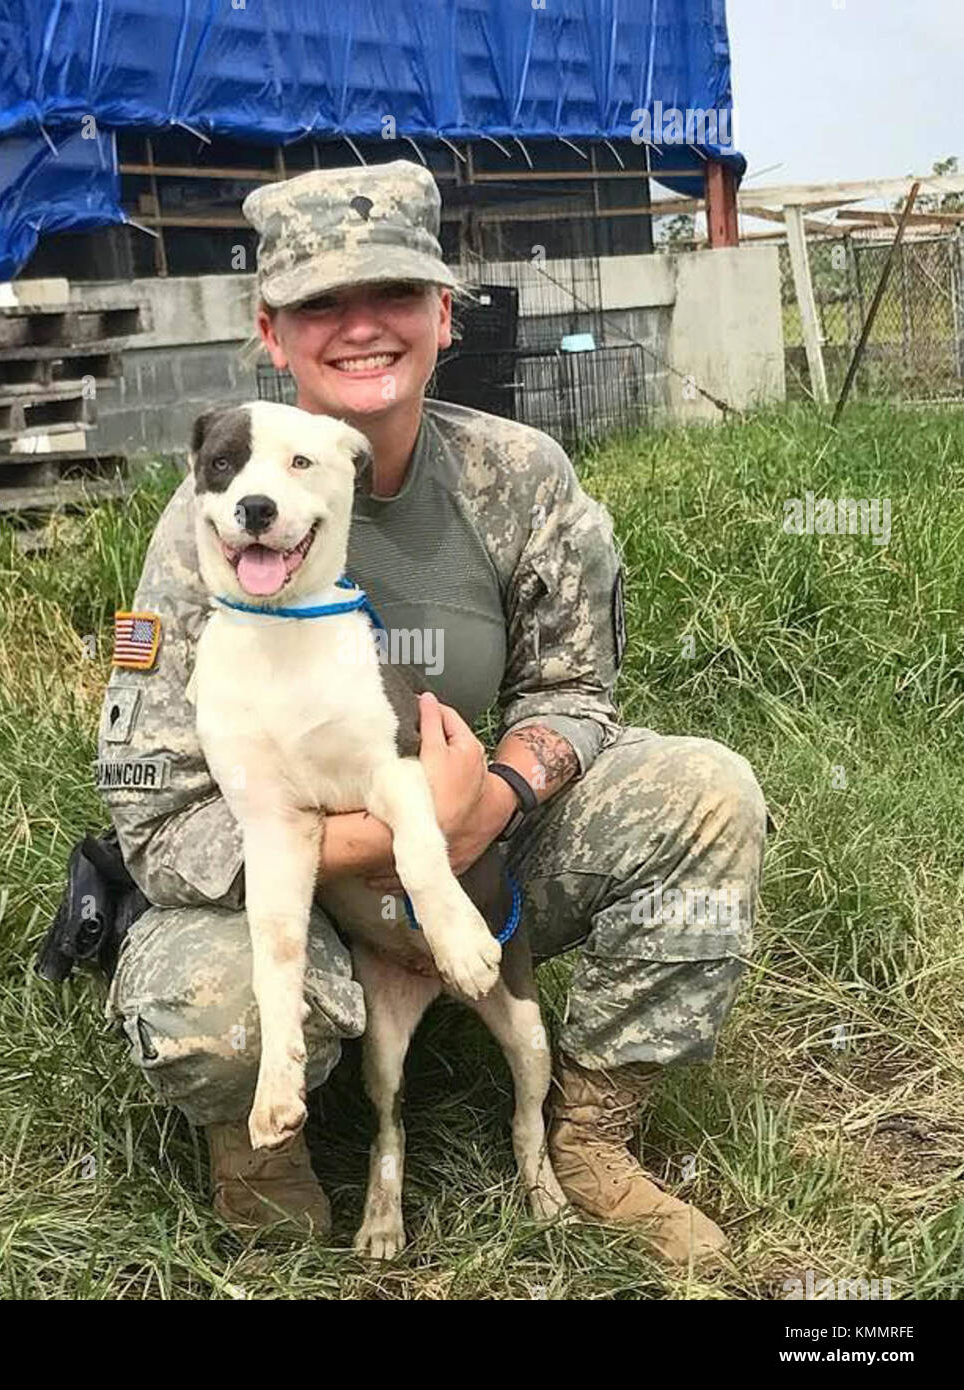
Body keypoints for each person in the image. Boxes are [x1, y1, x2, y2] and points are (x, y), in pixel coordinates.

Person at [95, 159, 767, 1269]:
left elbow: (575, 693)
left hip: (478, 829)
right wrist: (395, 840)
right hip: (295, 876)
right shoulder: (207, 520)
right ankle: (262, 1150)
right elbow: (153, 814)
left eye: (394, 296)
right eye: (321, 304)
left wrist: (487, 803)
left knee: (708, 794)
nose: (361, 328)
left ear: (443, 313)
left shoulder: (521, 474)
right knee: (211, 1006)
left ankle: (591, 1131)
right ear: (273, 331)